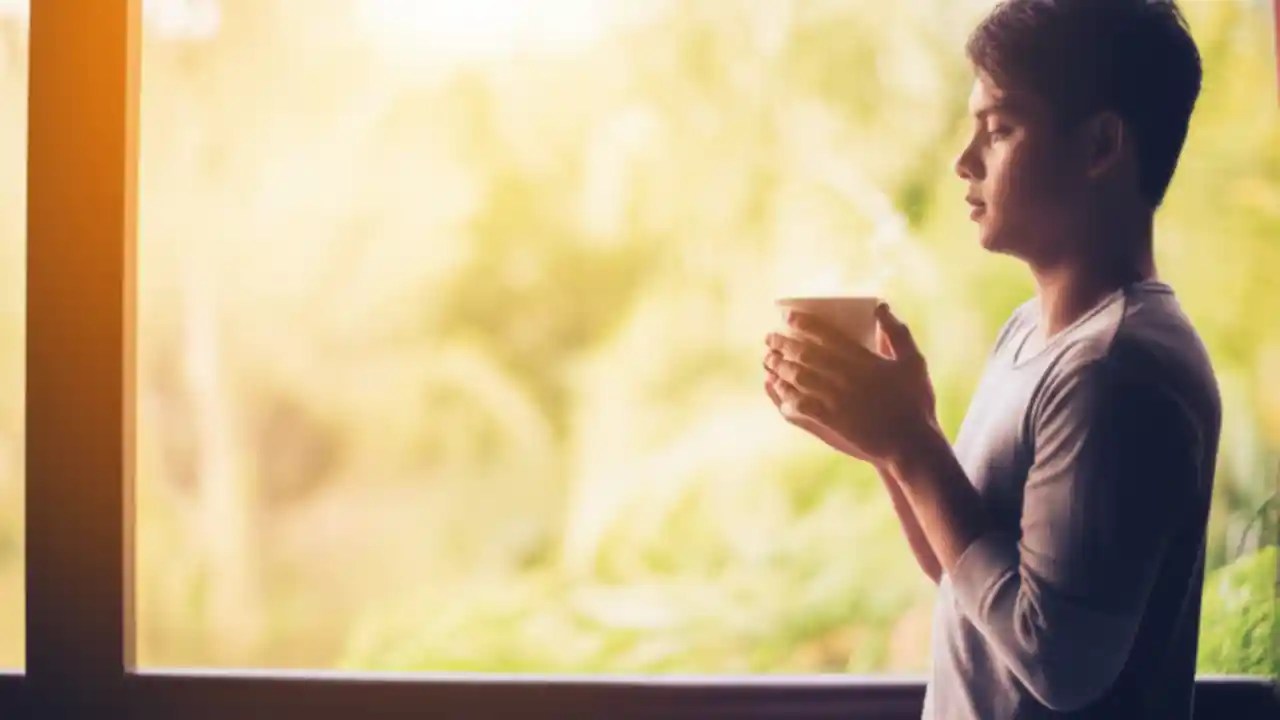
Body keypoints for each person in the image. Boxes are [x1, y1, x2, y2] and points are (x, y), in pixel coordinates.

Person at [762, 1, 1219, 717]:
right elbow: (971, 583)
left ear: (1101, 145)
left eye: (1000, 129)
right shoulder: (1029, 335)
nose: (964, 161)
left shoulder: (1115, 369)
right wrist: (889, 443)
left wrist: (913, 446)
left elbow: (1057, 660)